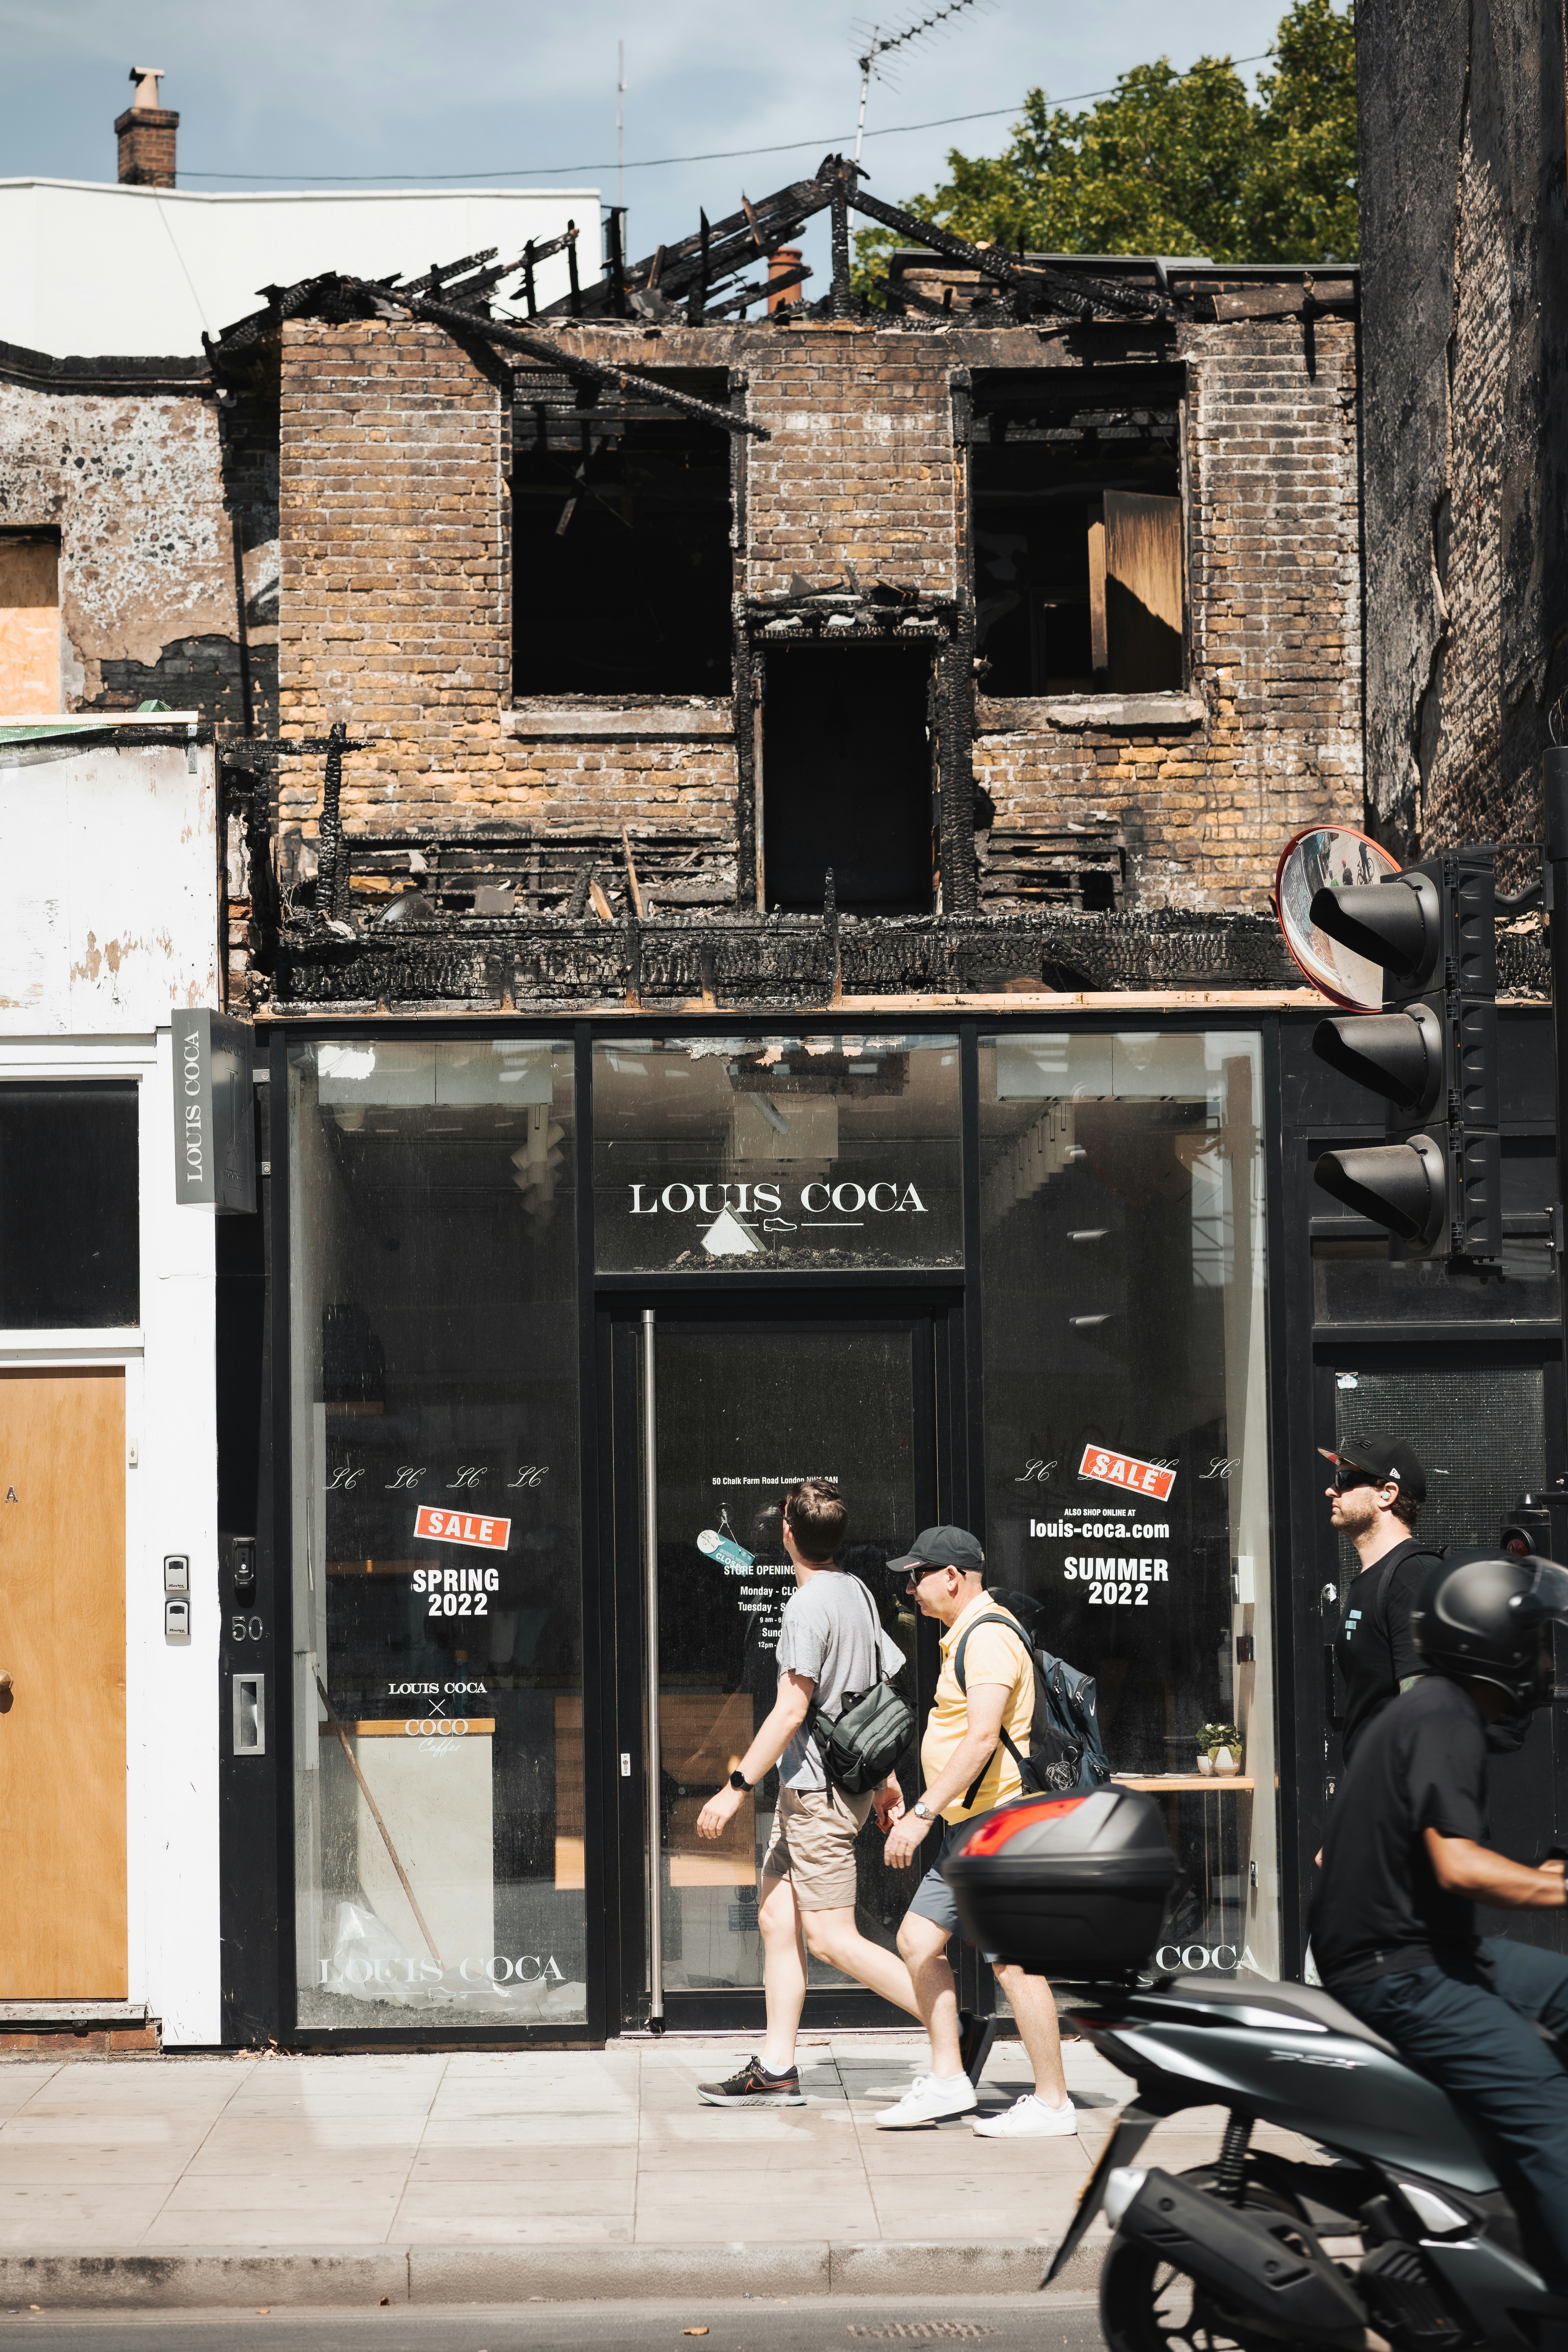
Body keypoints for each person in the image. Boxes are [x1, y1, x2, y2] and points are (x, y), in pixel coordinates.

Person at [1312, 1553, 1568, 2291]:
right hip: (1398, 1969)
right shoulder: (1444, 1714)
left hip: (1431, 1949)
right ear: (1499, 1646)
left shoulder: (1434, 1709)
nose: (1547, 1663)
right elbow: (1458, 1865)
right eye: (1538, 1644)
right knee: (1550, 2115)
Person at [691, 1480, 946, 2106]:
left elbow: (791, 1709)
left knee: (832, 1939)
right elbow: (873, 1690)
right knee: (776, 1917)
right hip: (823, 1788)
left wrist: (734, 1788)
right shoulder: (855, 1589)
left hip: (818, 1795)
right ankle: (777, 2066)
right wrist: (885, 1780)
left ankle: (952, 2025)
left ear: (787, 1533)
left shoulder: (806, 1607)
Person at [876, 1525, 1076, 2137]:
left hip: (999, 1825)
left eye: (918, 1576)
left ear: (952, 1576)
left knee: (1014, 1965)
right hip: (970, 1827)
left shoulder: (987, 1637)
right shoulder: (967, 1633)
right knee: (917, 1941)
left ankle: (1053, 2103)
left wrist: (922, 1813)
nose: (910, 1589)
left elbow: (984, 1736)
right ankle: (948, 2081)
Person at [1322, 1432, 1436, 1762]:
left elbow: (1428, 1711)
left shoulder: (1413, 1578)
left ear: (1387, 1494)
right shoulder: (1374, 1578)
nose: (1331, 1490)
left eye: (1345, 1480)